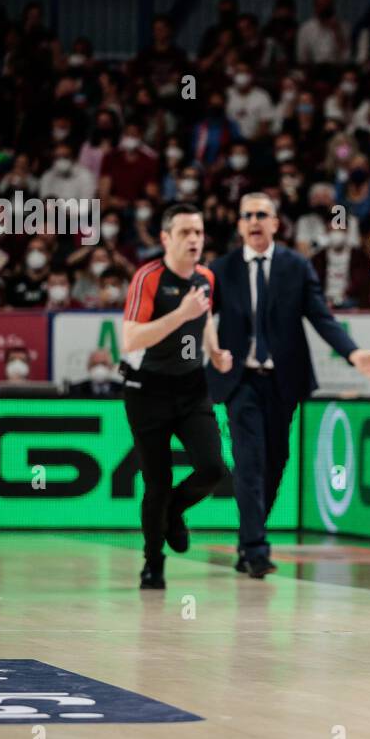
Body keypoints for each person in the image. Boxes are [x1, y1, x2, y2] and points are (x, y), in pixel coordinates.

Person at [207, 192, 370, 579]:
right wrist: (209, 350)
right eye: (247, 215)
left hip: (282, 382)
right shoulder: (222, 269)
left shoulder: (296, 266)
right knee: (249, 462)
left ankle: (248, 537)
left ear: (275, 224)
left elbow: (321, 318)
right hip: (240, 382)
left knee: (276, 462)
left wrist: (353, 354)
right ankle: (255, 548)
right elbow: (203, 316)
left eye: (262, 215)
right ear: (239, 225)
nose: (254, 221)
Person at [121, 203, 231, 590]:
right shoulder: (148, 277)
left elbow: (205, 321)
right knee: (157, 482)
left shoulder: (205, 278)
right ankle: (153, 564)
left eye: (198, 232)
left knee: (213, 469)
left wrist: (215, 351)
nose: (194, 240)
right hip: (146, 389)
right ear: (166, 238)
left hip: (191, 387)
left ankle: (172, 514)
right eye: (185, 232)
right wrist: (181, 314)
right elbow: (131, 337)